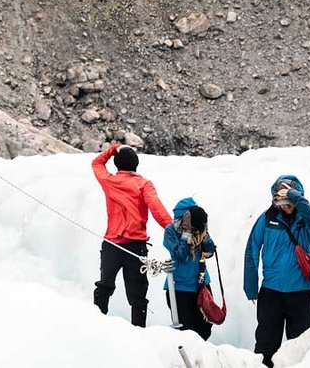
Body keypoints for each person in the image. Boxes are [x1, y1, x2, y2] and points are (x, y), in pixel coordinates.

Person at [243, 175, 310, 366]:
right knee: (265, 346)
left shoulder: (305, 219)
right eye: (281, 201)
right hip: (271, 292)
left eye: (289, 201)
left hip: (301, 293)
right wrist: (250, 287)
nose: (285, 206)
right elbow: (251, 251)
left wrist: (296, 196)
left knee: (301, 346)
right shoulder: (266, 219)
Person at [91, 143, 172, 327]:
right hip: (136, 246)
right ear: (136, 164)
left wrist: (113, 148)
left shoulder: (109, 181)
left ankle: (96, 325)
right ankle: (139, 331)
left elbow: (96, 164)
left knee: (104, 286)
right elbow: (155, 207)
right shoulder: (144, 184)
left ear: (117, 165)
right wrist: (170, 226)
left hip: (112, 244)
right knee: (137, 293)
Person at [163, 198, 217, 339]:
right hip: (179, 287)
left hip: (200, 283)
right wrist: (186, 234)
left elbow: (210, 252)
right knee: (186, 330)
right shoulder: (171, 231)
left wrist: (204, 234)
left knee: (205, 327)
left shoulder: (199, 225)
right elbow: (181, 255)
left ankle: (201, 357)